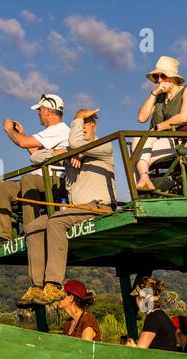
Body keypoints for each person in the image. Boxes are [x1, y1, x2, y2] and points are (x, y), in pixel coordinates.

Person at [18, 108, 116, 306]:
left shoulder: (104, 146)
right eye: (80, 124)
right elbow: (35, 158)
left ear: (94, 126)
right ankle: (37, 286)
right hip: (76, 209)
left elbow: (77, 143)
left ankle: (53, 284)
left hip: (97, 206)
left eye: (85, 124)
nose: (83, 128)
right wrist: (62, 152)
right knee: (33, 227)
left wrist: (77, 125)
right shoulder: (72, 149)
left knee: (55, 221)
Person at [0, 93, 71, 242]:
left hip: (54, 180)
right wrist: (22, 134)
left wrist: (10, 130)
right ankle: (2, 236)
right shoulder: (52, 133)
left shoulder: (59, 130)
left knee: (29, 180)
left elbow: (23, 143)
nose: (39, 114)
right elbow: (36, 154)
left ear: (48, 111)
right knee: (2, 188)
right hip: (43, 178)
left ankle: (31, 231)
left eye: (40, 110)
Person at [134, 56, 187, 193]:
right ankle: (142, 185)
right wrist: (154, 93)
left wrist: (159, 127)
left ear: (173, 77)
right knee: (136, 144)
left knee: (137, 151)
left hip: (182, 143)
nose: (159, 80)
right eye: (156, 77)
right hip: (158, 142)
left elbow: (184, 117)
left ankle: (144, 186)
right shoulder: (160, 97)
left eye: (163, 76)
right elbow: (142, 118)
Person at [123, 276, 178, 351]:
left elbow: (140, 350)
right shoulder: (160, 315)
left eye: (136, 297)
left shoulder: (153, 317)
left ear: (141, 298)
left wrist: (131, 345)